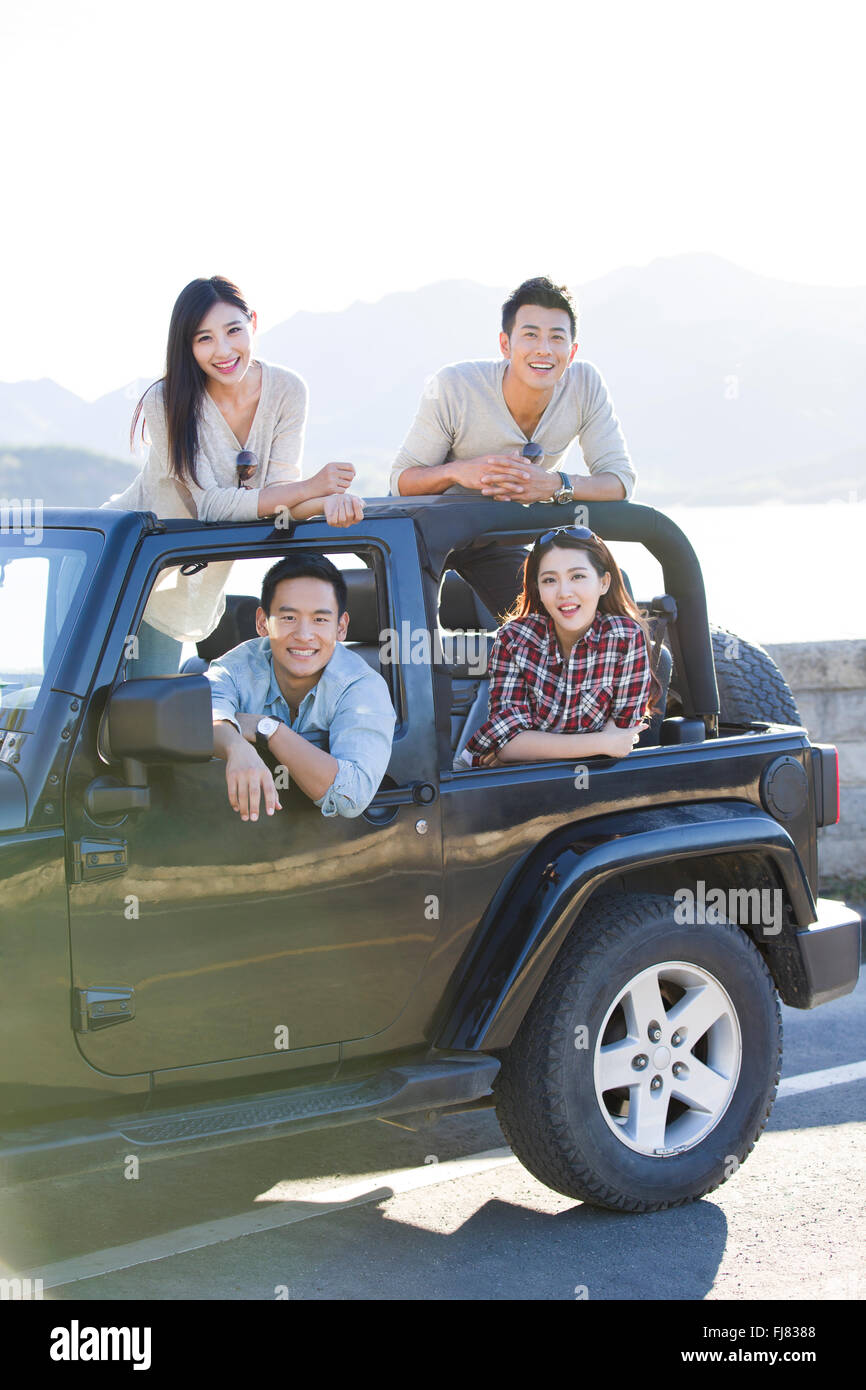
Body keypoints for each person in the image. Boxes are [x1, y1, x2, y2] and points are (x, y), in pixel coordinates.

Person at [103, 276, 364, 670]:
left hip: (176, 578)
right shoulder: (167, 400)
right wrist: (312, 486)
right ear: (186, 346)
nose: (223, 350)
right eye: (203, 338)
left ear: (253, 322)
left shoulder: (287, 390)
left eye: (233, 331)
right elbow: (211, 505)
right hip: (120, 558)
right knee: (78, 713)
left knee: (146, 713)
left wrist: (327, 502)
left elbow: (280, 500)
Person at [390, 276, 636, 620]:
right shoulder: (454, 386)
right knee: (422, 650)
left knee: (558, 618)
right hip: (422, 539)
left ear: (572, 350)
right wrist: (459, 472)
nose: (544, 349)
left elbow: (620, 481)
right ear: (505, 345)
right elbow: (401, 481)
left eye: (557, 338)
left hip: (495, 539)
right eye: (531, 335)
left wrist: (554, 485)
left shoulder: (585, 384)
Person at [207, 553, 396, 821]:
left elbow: (350, 796)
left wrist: (266, 728)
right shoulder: (236, 667)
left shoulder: (362, 686)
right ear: (263, 622)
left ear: (341, 627)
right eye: (288, 618)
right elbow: (199, 716)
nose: (304, 635)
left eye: (320, 620)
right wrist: (235, 746)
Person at [459, 526, 657, 768]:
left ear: (603, 582)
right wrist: (601, 743)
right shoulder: (514, 638)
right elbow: (508, 744)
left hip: (576, 775)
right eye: (550, 580)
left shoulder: (625, 638)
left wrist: (526, 749)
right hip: (484, 774)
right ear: (538, 590)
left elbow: (621, 740)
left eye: (577, 576)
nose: (564, 592)